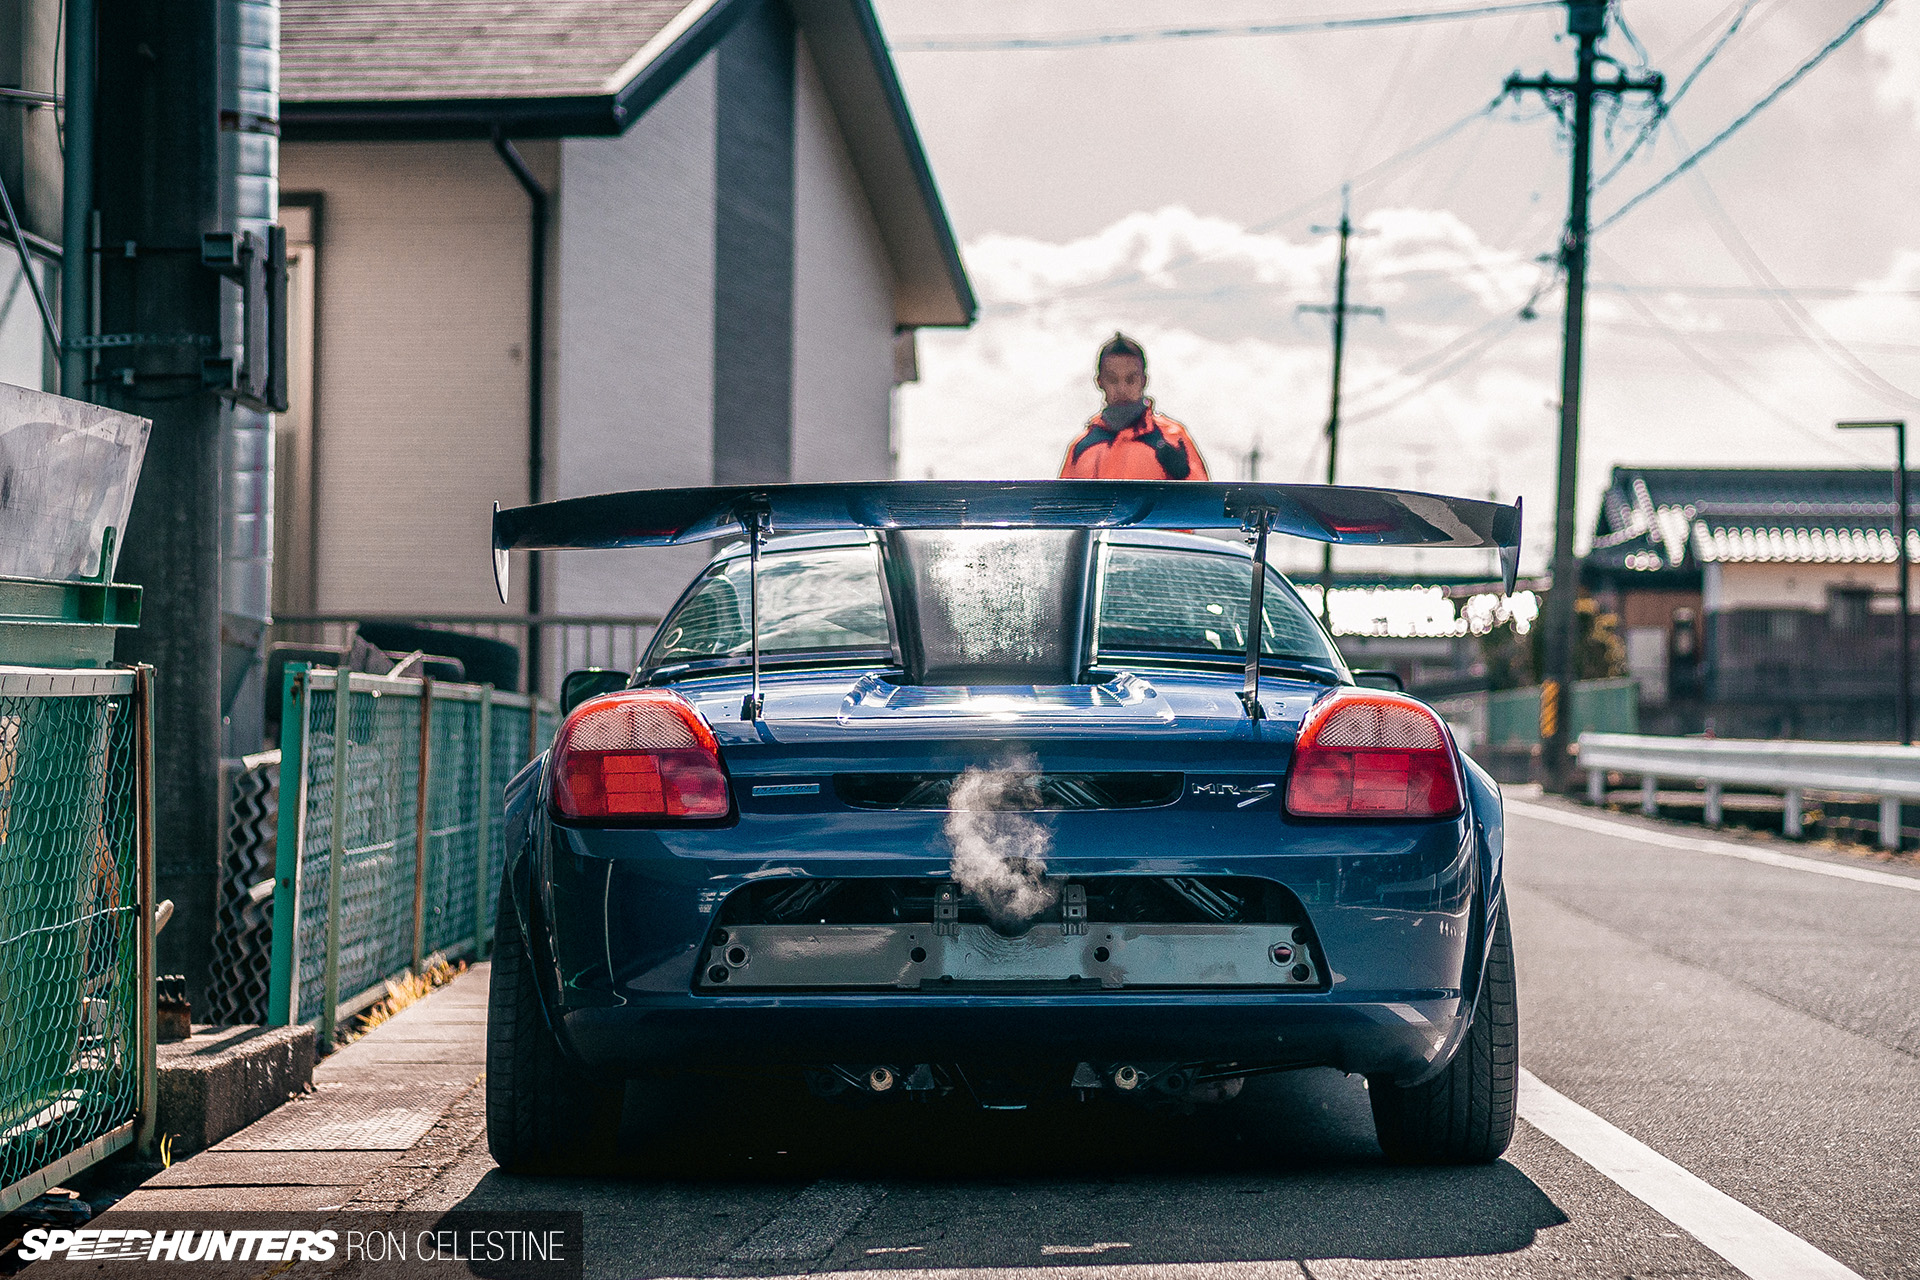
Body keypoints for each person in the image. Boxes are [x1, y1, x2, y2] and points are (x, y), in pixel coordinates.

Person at [1059, 332, 1210, 480]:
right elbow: (1060, 497)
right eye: (1112, 379)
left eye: (1130, 379)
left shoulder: (1172, 438)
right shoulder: (1081, 447)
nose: (1122, 389)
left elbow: (1203, 494)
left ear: (1144, 381)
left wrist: (1184, 476)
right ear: (1099, 381)